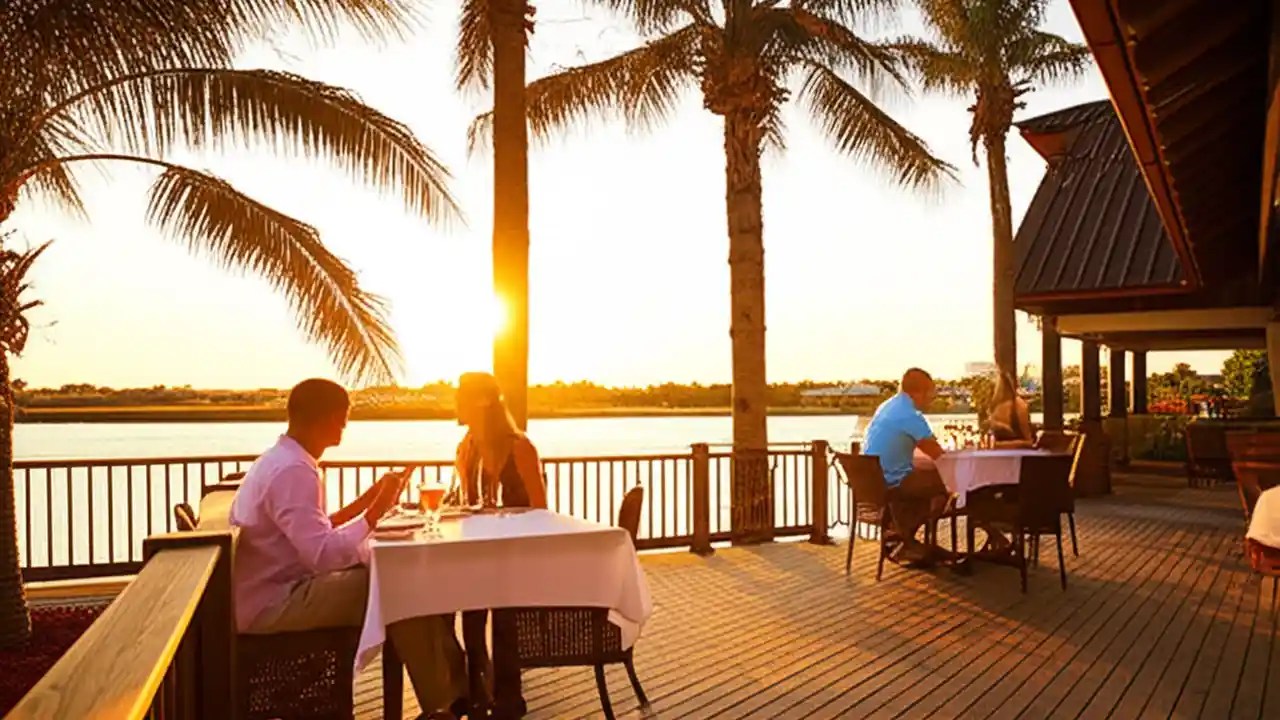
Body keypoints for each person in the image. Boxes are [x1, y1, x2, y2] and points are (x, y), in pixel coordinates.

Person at [229, 379, 467, 720]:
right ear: (328, 417)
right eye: (344, 416)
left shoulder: (279, 460)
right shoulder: (294, 471)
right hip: (273, 604)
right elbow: (323, 556)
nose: (345, 424)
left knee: (400, 581)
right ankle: (447, 702)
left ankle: (450, 696)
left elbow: (317, 530)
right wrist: (377, 511)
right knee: (401, 587)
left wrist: (370, 498)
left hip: (261, 595)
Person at [450, 372, 548, 717]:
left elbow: (540, 509)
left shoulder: (520, 447)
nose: (455, 402)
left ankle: (507, 697)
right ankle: (476, 693)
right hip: (478, 552)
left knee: (501, 610)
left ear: (484, 401)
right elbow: (465, 501)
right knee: (464, 611)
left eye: (461, 395)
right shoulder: (468, 447)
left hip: (517, 552)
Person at [861, 368, 949, 559]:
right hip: (893, 483)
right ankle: (908, 540)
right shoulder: (910, 415)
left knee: (927, 481)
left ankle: (901, 536)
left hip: (874, 483)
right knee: (945, 486)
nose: (932, 399)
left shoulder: (887, 406)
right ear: (920, 392)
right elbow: (938, 455)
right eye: (931, 393)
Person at [989, 371, 1034, 448]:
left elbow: (1029, 442)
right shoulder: (994, 408)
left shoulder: (1018, 405)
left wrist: (999, 445)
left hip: (1017, 454)